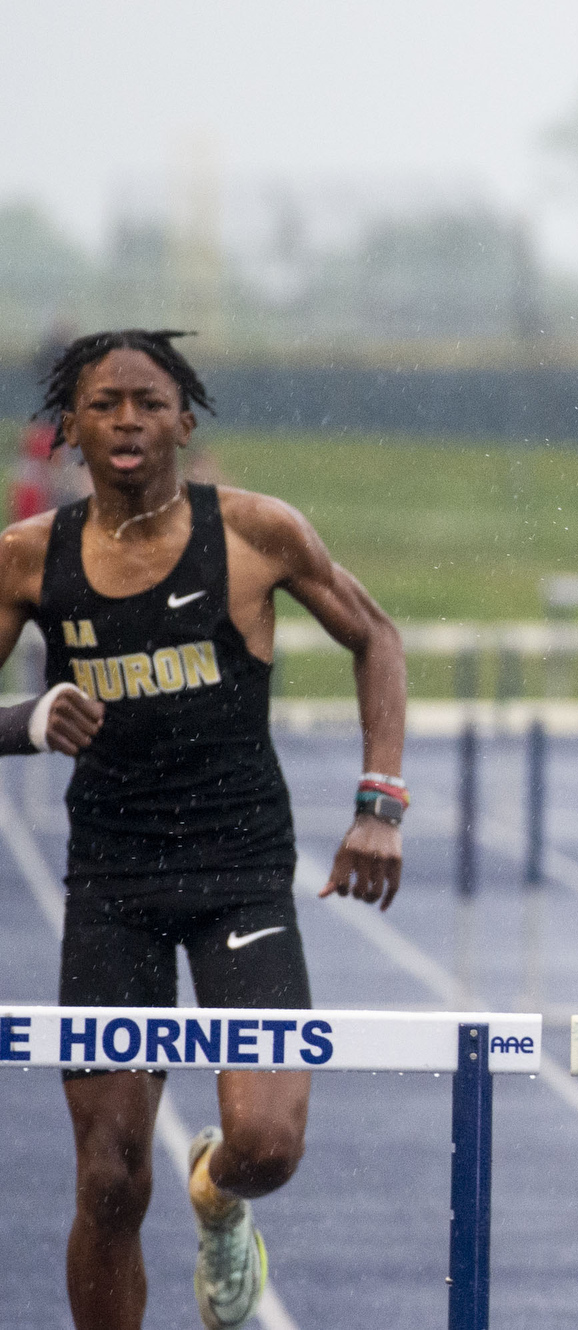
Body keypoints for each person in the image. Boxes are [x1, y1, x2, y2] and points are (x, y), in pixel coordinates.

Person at [6, 329, 408, 1330]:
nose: (128, 419)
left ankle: (219, 1197)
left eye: (148, 401)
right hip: (112, 887)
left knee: (268, 1146)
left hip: (239, 873)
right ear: (71, 430)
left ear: (186, 420)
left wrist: (378, 806)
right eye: (104, 404)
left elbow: (376, 635)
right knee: (107, 1181)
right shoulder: (25, 560)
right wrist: (24, 721)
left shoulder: (256, 533)